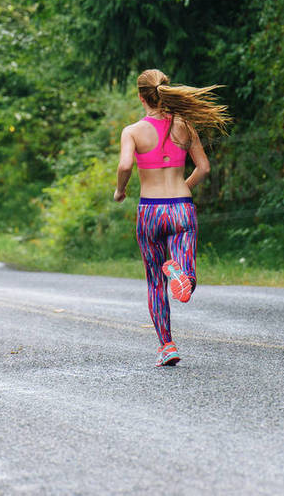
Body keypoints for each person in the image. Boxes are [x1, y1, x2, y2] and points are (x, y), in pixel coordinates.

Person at [113, 69, 230, 367]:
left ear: (141, 97)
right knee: (185, 273)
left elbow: (126, 164)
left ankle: (167, 346)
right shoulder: (185, 126)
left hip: (150, 210)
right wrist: (183, 188)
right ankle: (182, 274)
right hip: (180, 208)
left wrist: (120, 190)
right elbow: (203, 168)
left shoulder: (133, 131)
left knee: (154, 282)